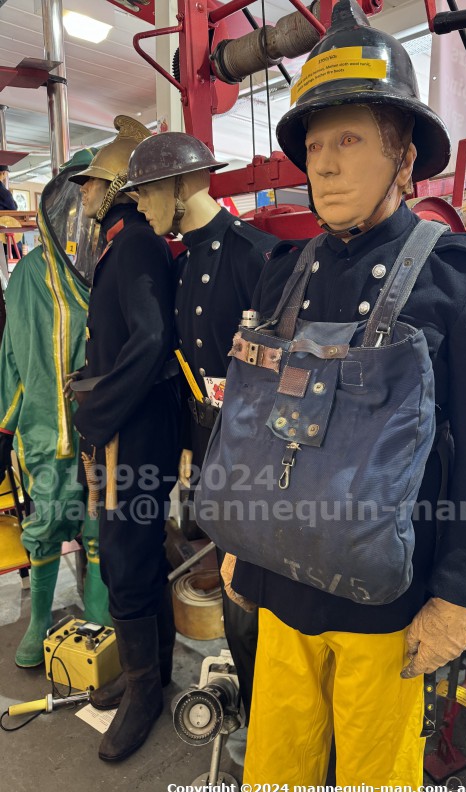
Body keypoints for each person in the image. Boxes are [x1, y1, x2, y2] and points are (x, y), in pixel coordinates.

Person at [201, 0, 466, 787]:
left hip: (388, 605)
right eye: (315, 145)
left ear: (405, 156)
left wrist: (458, 600)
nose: (323, 164)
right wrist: (237, 536)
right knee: (274, 773)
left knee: (373, 783)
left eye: (349, 140)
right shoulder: (282, 275)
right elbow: (256, 421)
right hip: (278, 585)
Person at [121, 131, 278, 718]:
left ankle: (272, 728)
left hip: (261, 457)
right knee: (236, 600)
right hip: (213, 447)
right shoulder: (183, 263)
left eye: (145, 192)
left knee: (255, 606)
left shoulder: (257, 256)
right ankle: (260, 719)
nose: (140, 205)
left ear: (183, 184)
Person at [68, 116, 180, 762]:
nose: (83, 191)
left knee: (125, 555)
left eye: (91, 182)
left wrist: (97, 414)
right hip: (128, 423)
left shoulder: (134, 243)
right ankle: (153, 674)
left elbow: (151, 339)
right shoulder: (121, 243)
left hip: (134, 429)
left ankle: (144, 694)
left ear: (115, 187)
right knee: (134, 553)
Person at [0, 150, 111, 668]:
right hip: (45, 429)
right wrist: (4, 427)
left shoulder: (113, 266)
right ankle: (39, 617)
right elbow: (12, 357)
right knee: (45, 522)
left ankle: (98, 614)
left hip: (103, 427)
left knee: (100, 520)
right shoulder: (27, 275)